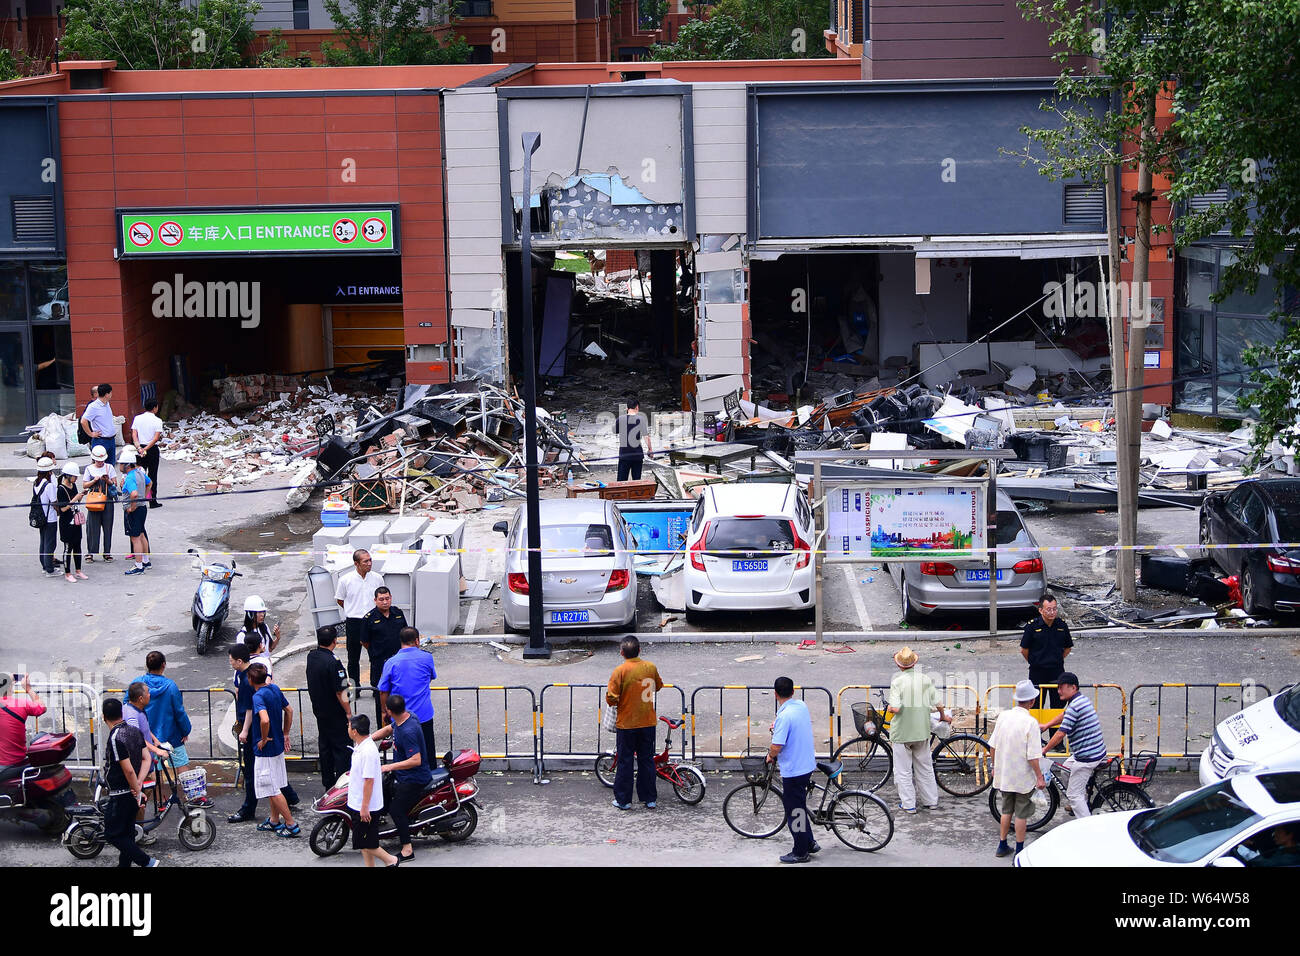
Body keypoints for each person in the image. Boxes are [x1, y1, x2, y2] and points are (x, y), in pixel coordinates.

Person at [227, 644, 298, 822]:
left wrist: (250, 733)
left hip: (258, 735)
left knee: (258, 775)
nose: (230, 664)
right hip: (271, 736)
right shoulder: (270, 686)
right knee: (275, 773)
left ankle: (256, 811)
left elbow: (252, 711)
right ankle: (287, 800)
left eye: (231, 661)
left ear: (240, 661)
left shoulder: (247, 683)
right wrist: (285, 733)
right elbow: (288, 710)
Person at [886, 646, 951, 814]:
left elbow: (896, 708)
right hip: (922, 731)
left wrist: (891, 709)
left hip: (902, 733)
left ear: (899, 665)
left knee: (903, 771)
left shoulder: (897, 682)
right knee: (925, 767)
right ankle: (931, 801)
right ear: (914, 663)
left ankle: (909, 805)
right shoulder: (925, 679)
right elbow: (938, 702)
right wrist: (943, 716)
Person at [989, 679, 1047, 859]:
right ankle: (1020, 850)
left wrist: (994, 767)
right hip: (1022, 777)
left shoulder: (1003, 717)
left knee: (1006, 811)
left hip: (1005, 774)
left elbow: (993, 746)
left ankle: (1002, 844)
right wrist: (1039, 777)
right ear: (1032, 701)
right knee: (1021, 814)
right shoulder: (1031, 723)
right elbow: (1033, 756)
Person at [605, 635, 664, 810]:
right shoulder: (650, 667)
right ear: (639, 650)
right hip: (647, 721)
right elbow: (658, 685)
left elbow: (611, 698)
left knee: (625, 761)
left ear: (622, 652)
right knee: (647, 760)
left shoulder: (620, 671)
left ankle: (623, 800)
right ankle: (649, 798)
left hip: (627, 723)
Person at [1039, 672, 1108, 818]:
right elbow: (1064, 714)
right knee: (1065, 770)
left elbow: (1060, 734)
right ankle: (1079, 802)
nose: (1058, 691)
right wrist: (1046, 725)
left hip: (1087, 757)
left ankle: (1087, 827)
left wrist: (1044, 749)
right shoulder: (1078, 700)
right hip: (1091, 751)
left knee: (1074, 795)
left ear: (1073, 687)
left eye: (1061, 687)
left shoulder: (1075, 706)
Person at [100, 698, 159, 868]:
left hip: (121, 793)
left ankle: (147, 862)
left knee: (112, 834)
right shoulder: (134, 731)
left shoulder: (115, 738)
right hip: (133, 791)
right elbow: (147, 758)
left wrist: (136, 789)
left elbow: (128, 770)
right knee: (127, 834)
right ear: (121, 713)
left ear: (104, 717)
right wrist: (139, 784)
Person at [371, 693, 429, 864]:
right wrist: (369, 739)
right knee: (384, 790)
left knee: (396, 810)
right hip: (402, 774)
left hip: (414, 778)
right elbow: (390, 728)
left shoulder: (409, 731)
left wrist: (389, 766)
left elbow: (416, 760)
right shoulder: (406, 717)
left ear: (389, 710)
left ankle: (407, 849)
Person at [133, 651, 199, 798]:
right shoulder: (170, 686)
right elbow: (179, 712)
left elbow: (129, 706)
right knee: (181, 764)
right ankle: (194, 796)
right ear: (164, 665)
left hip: (148, 737)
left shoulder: (137, 684)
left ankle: (161, 800)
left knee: (155, 769)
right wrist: (185, 730)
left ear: (146, 665)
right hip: (172, 734)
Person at [768, 676, 818, 863]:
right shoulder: (800, 706)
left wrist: (770, 755)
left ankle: (800, 851)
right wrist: (777, 726)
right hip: (807, 764)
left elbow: (777, 746)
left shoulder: (784, 716)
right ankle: (810, 842)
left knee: (795, 811)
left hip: (794, 770)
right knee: (800, 805)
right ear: (793, 691)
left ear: (775, 694)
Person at [248, 662, 300, 837]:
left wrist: (263, 739)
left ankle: (291, 824)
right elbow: (290, 710)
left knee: (271, 788)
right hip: (277, 745)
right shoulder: (275, 688)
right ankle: (274, 820)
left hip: (266, 750)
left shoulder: (257, 697)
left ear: (250, 679)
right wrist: (285, 733)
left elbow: (264, 720)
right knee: (274, 784)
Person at [377, 626, 437, 761]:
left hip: (400, 717)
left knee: (403, 755)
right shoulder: (427, 658)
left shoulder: (391, 662)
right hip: (424, 715)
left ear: (401, 641)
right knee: (427, 753)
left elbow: (383, 691)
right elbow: (430, 677)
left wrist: (384, 711)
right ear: (417, 641)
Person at [346, 714, 398, 867]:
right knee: (365, 842)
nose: (347, 729)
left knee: (364, 842)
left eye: (349, 726)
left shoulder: (367, 751)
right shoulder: (361, 746)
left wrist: (364, 807)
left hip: (365, 805)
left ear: (354, 731)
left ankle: (391, 860)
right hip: (358, 802)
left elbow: (369, 781)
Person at [306, 625, 352, 789]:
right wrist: (348, 713)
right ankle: (342, 787)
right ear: (335, 640)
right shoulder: (333, 663)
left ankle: (328, 784)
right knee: (342, 751)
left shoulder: (312, 657)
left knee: (325, 749)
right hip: (335, 714)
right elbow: (341, 692)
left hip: (320, 711)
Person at [335, 549, 385, 689]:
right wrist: (352, 609)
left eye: (370, 560)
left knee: (376, 656)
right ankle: (355, 688)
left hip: (373, 621)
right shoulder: (345, 580)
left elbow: (382, 597)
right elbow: (340, 599)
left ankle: (376, 687)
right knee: (353, 658)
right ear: (356, 563)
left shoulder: (377, 578)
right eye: (365, 561)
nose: (369, 563)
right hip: (354, 622)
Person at [360, 587, 406, 724]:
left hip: (398, 661)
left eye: (387, 598)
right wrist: (376, 652)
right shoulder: (369, 618)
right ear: (375, 600)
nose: (385, 602)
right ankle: (384, 727)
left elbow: (405, 634)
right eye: (381, 599)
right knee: (381, 694)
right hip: (380, 663)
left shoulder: (398, 613)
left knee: (399, 692)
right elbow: (364, 641)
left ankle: (401, 723)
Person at [1020, 593, 1073, 708]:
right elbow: (1024, 650)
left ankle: (1054, 727)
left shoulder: (1061, 625)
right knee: (1036, 705)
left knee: (1058, 704)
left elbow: (1068, 647)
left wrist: (1057, 658)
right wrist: (1035, 661)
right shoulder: (1032, 626)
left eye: (1054, 609)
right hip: (1037, 672)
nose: (1052, 612)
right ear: (1040, 610)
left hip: (1056, 671)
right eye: (1048, 609)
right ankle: (1038, 726)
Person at [0, 675, 46, 778]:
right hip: (19, 760)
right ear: (10, 687)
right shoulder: (21, 704)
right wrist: (28, 688)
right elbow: (42, 707)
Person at [82, 444, 119, 562]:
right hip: (94, 500)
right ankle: (90, 552)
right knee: (92, 527)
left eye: (102, 461)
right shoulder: (89, 469)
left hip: (107, 500)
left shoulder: (109, 467)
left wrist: (107, 480)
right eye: (98, 461)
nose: (100, 463)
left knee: (108, 527)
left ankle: (107, 552)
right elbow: (84, 485)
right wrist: (94, 480)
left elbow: (115, 483)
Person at [119, 447, 152, 575]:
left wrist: (132, 507)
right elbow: (150, 483)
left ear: (127, 465)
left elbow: (133, 494)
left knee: (135, 538)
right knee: (142, 534)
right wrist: (144, 497)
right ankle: (145, 560)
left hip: (134, 510)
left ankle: (138, 565)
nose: (120, 466)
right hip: (142, 507)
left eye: (121, 464)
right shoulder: (139, 473)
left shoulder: (130, 478)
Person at [56, 462, 88, 582]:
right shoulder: (60, 489)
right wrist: (75, 499)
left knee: (78, 545)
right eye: (75, 476)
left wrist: (80, 496)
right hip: (66, 522)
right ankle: (68, 572)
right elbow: (63, 508)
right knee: (68, 547)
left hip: (75, 520)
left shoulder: (73, 486)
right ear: (68, 476)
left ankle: (78, 570)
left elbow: (75, 502)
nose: (76, 478)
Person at [131, 396, 164, 507]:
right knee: (152, 475)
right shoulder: (157, 420)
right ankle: (152, 501)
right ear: (155, 408)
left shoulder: (137, 418)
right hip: (152, 449)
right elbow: (155, 438)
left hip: (139, 449)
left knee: (139, 474)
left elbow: (134, 434)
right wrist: (146, 448)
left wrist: (139, 447)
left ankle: (138, 499)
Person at [614, 395, 653, 482]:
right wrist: (650, 449)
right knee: (636, 482)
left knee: (621, 482)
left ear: (627, 408)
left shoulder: (620, 419)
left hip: (624, 455)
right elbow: (646, 437)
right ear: (637, 407)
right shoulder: (641, 419)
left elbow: (616, 431)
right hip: (637, 455)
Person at [32, 454, 59, 576]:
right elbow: (54, 502)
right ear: (49, 471)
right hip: (50, 518)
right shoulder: (48, 485)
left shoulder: (36, 483)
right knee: (50, 543)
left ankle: (44, 565)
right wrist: (59, 512)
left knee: (43, 541)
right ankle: (49, 569)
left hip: (40, 517)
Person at [80, 383, 116, 466]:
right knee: (99, 466)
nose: (111, 395)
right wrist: (91, 434)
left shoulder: (107, 403)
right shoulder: (93, 406)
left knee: (110, 466)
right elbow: (83, 421)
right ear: (107, 394)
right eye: (110, 393)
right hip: (101, 440)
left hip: (111, 440)